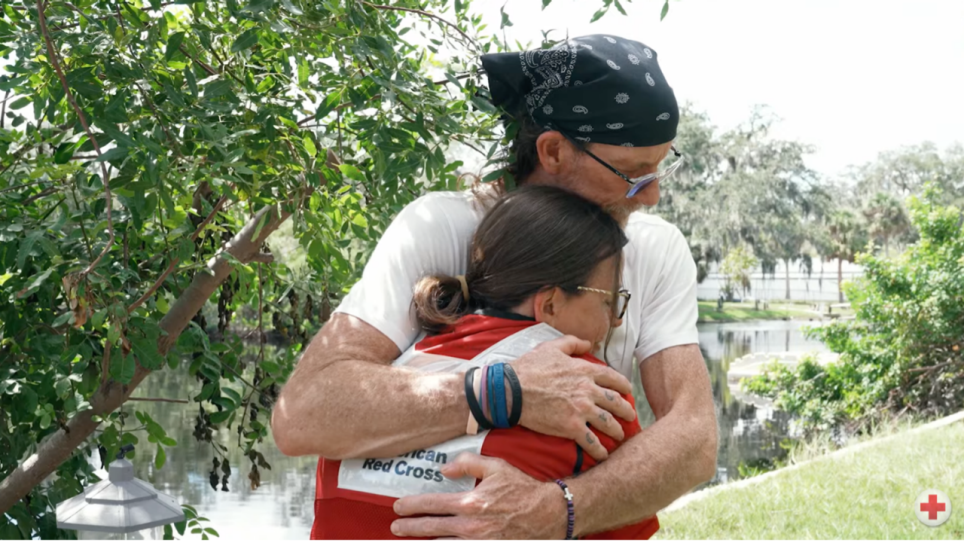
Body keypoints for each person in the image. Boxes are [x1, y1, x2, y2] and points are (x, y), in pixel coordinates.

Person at [272, 34, 718, 540]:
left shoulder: (655, 249)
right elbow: (305, 413)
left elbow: (694, 437)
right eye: (634, 173)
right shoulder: (440, 225)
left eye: (661, 167)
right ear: (553, 150)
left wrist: (556, 511)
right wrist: (504, 392)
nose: (654, 196)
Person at [313, 185, 659, 540]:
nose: (615, 321)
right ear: (551, 304)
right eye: (610, 301)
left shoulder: (364, 397)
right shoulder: (591, 396)